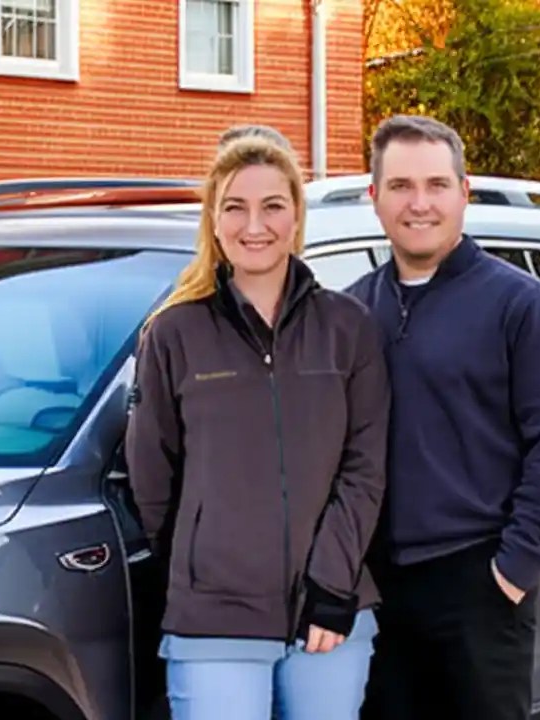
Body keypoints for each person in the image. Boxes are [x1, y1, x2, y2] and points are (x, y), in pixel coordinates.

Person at [125, 133, 391, 720]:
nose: (255, 225)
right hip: (212, 620)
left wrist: (331, 586)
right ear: (214, 222)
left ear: (296, 215)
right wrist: (200, 568)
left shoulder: (348, 327)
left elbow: (365, 468)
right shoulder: (173, 334)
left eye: (272, 205)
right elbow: (152, 477)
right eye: (236, 207)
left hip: (329, 614)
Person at [346, 115, 540, 719]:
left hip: (479, 584)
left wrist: (510, 573)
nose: (420, 203)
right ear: (374, 197)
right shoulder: (353, 309)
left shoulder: (523, 307)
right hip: (380, 592)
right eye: (401, 186)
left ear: (464, 192)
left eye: (437, 184)